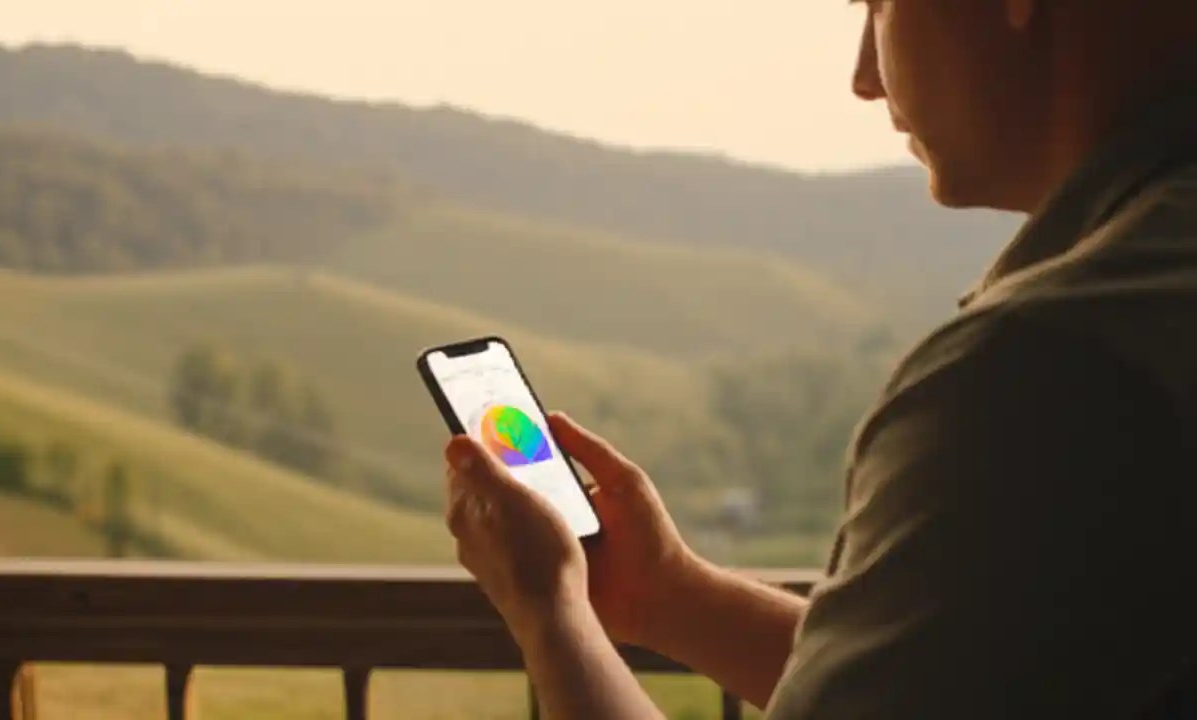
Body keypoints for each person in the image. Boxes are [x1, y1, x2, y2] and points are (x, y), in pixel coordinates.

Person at [442, 0, 1197, 717]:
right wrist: (667, 597)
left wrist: (550, 615)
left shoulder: (1043, 378)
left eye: (877, 8)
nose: (864, 77)